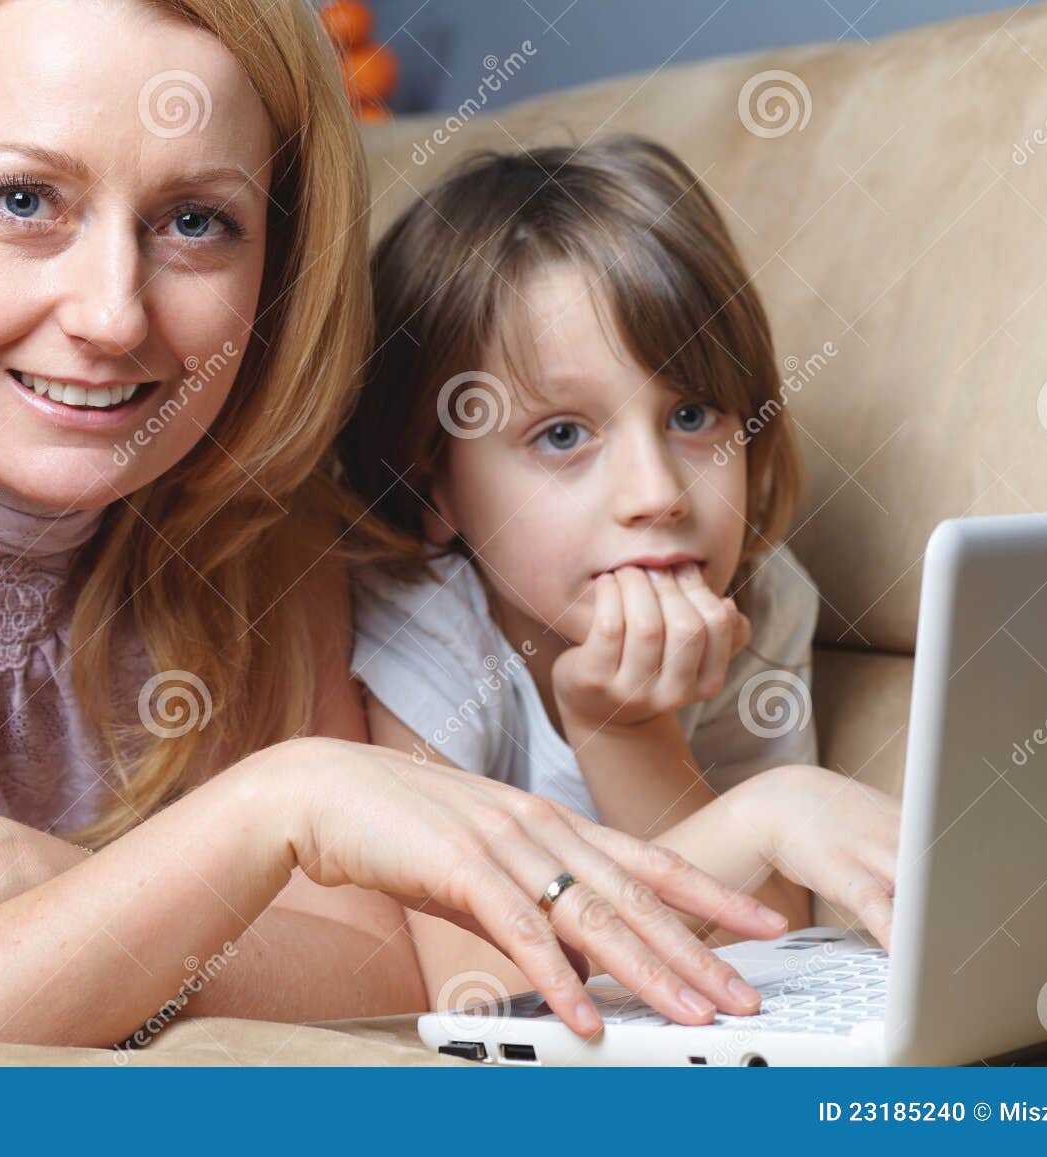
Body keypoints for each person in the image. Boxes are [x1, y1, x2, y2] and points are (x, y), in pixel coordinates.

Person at [0, 0, 805, 1067]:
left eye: (197, 222)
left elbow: (375, 960)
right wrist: (268, 815)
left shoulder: (250, 495)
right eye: (25, 198)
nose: (110, 314)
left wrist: (7, 871)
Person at [340, 139, 898, 958]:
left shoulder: (761, 597)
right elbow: (473, 982)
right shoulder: (425, 627)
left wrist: (635, 737)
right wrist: (715, 795)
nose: (656, 493)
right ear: (439, 492)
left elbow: (772, 956)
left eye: (693, 415)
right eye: (562, 434)